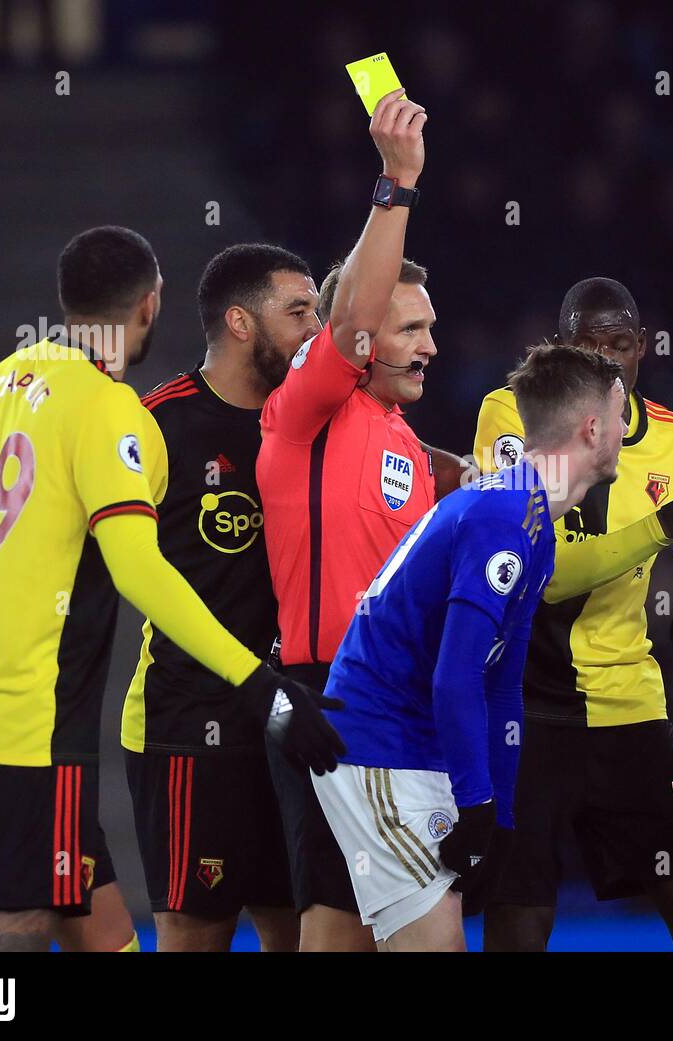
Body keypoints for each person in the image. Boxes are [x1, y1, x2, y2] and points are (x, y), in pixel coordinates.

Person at [0, 225, 341, 952]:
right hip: (28, 727)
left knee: (107, 937)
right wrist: (261, 686)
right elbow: (140, 568)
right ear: (151, 303)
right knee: (9, 939)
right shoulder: (110, 408)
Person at [475, 277, 673, 952]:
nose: (607, 361)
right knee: (518, 919)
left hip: (629, 707)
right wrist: (668, 522)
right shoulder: (511, 414)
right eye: (590, 346)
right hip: (524, 709)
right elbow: (544, 573)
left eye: (620, 345)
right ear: (561, 349)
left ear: (642, 348)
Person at [308, 343, 626, 950]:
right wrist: (477, 806)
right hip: (382, 747)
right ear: (592, 429)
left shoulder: (531, 522)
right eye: (618, 414)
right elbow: (455, 679)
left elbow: (501, 683)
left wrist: (498, 817)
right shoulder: (502, 518)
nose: (622, 428)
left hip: (413, 750)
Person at [256, 87, 467, 952]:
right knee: (405, 938)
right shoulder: (307, 410)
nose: (430, 346)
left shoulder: (408, 452)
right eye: (410, 328)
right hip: (333, 704)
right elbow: (346, 318)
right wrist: (397, 183)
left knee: (345, 934)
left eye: (430, 328)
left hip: (399, 710)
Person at [121, 243, 322, 952]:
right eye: (298, 311)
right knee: (195, 933)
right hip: (191, 722)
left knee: (298, 927)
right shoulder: (156, 424)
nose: (315, 329)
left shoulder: (314, 421)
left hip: (296, 717)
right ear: (240, 321)